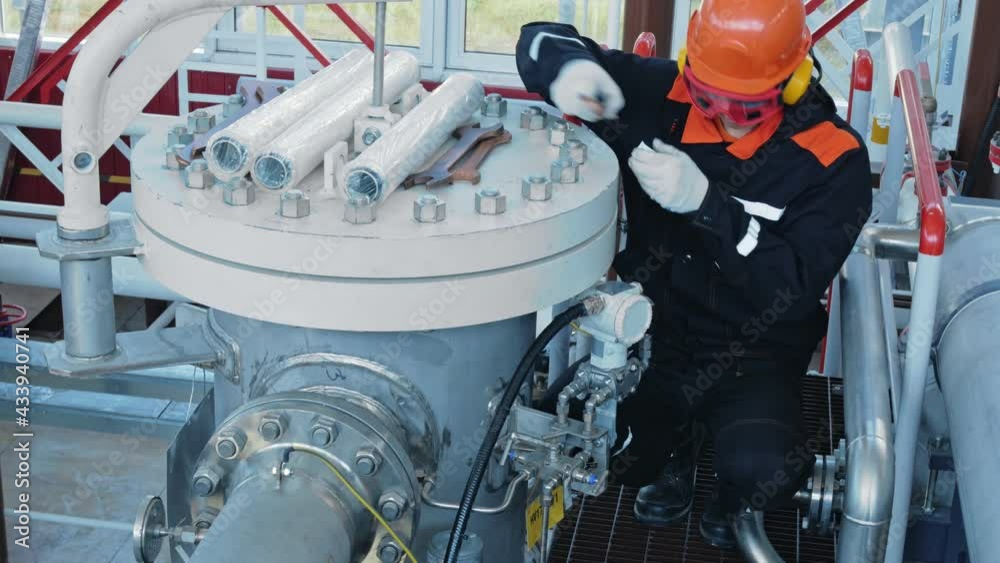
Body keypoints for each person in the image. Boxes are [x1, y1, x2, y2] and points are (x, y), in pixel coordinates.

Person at [517, 0, 872, 549]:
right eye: (709, 99)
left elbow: (795, 288)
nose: (725, 115)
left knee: (763, 471)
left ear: (794, 82)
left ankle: (733, 499)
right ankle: (672, 453)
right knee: (605, 448)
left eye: (746, 107)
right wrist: (570, 72)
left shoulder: (833, 158)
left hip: (756, 352)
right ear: (690, 70)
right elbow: (537, 39)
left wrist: (710, 206)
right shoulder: (662, 94)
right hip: (656, 338)